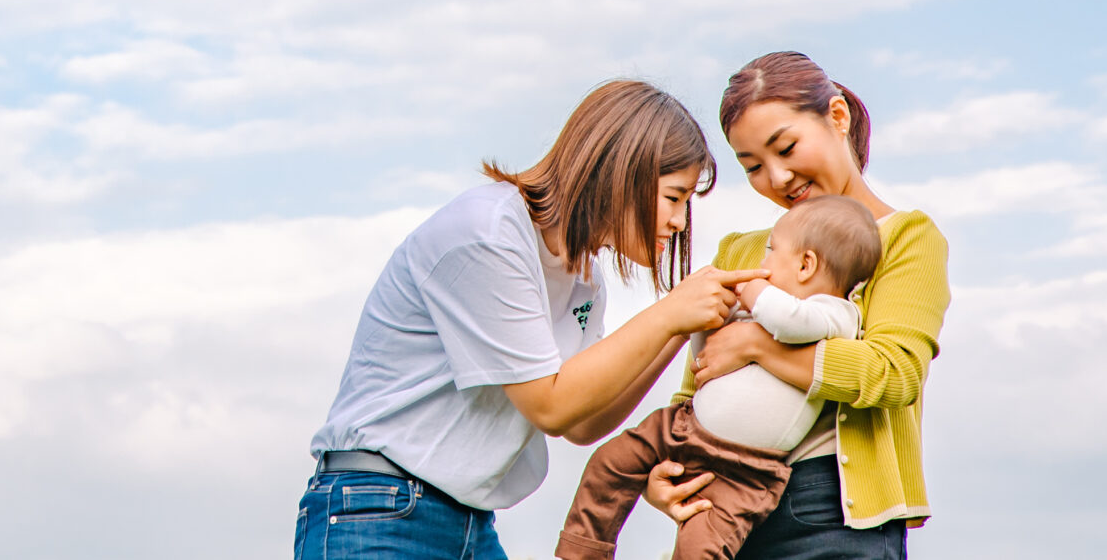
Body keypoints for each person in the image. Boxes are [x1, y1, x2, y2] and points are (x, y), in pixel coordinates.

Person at [296, 80, 762, 560]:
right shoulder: (490, 235)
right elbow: (551, 405)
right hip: (379, 509)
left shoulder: (584, 278)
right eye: (674, 197)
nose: (681, 222)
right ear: (622, 173)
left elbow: (581, 423)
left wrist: (681, 325)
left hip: (465, 523)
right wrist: (670, 313)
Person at [642, 52, 951, 559]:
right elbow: (695, 386)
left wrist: (759, 346)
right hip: (724, 512)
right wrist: (665, 469)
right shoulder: (738, 252)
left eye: (785, 148)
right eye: (753, 167)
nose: (778, 176)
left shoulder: (906, 238)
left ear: (837, 117)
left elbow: (892, 373)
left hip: (837, 518)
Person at [553, 195, 882, 560]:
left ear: (806, 264)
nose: (762, 262)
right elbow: (704, 359)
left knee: (700, 547)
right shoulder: (760, 308)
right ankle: (581, 552)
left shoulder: (836, 314)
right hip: (682, 427)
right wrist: (707, 318)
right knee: (610, 463)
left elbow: (791, 322)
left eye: (772, 250)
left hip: (743, 471)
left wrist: (755, 295)